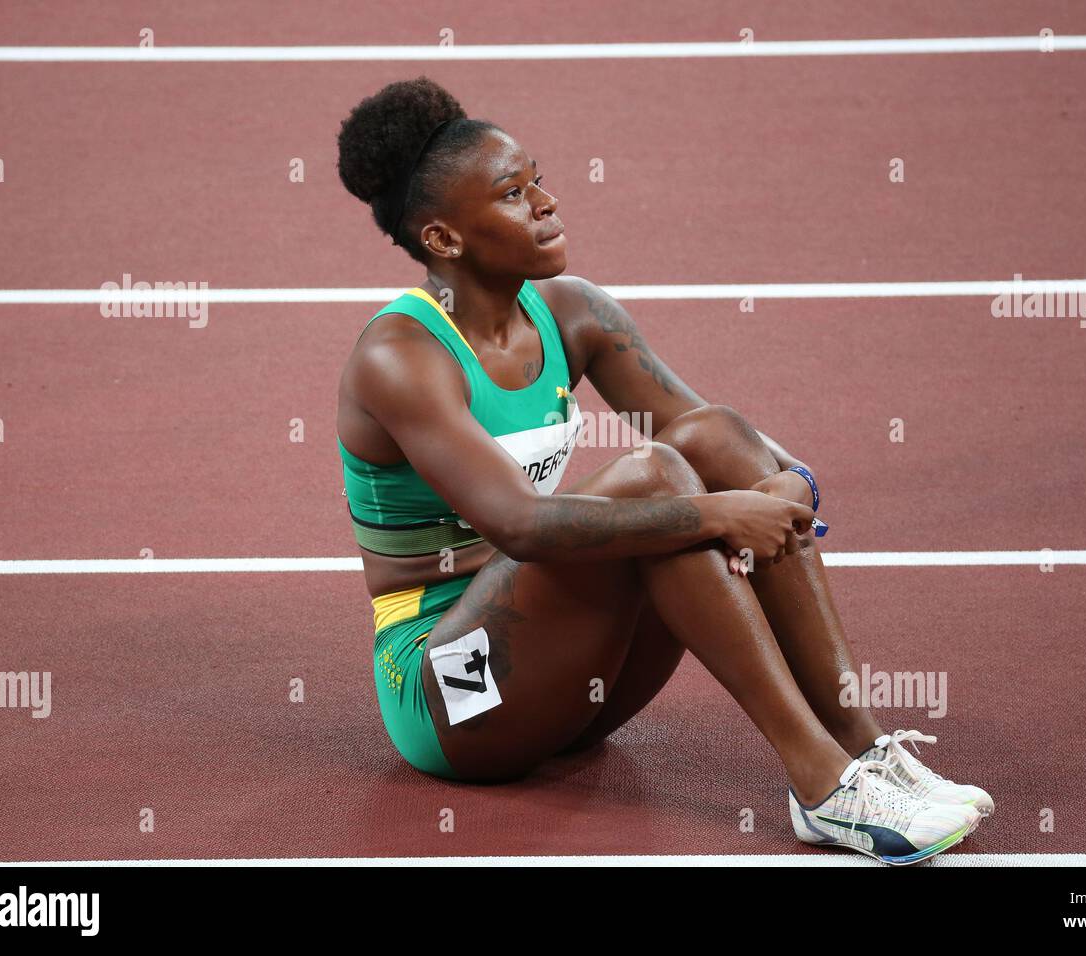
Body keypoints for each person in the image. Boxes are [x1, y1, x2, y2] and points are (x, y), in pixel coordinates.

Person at [335, 76, 992, 864]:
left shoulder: (571, 311)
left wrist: (788, 483)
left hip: (567, 680)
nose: (546, 202)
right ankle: (821, 787)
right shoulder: (399, 356)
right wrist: (722, 515)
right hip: (452, 692)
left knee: (705, 441)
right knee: (660, 480)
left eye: (537, 177)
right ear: (445, 240)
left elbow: (721, 438)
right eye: (513, 194)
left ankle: (859, 743)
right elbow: (520, 526)